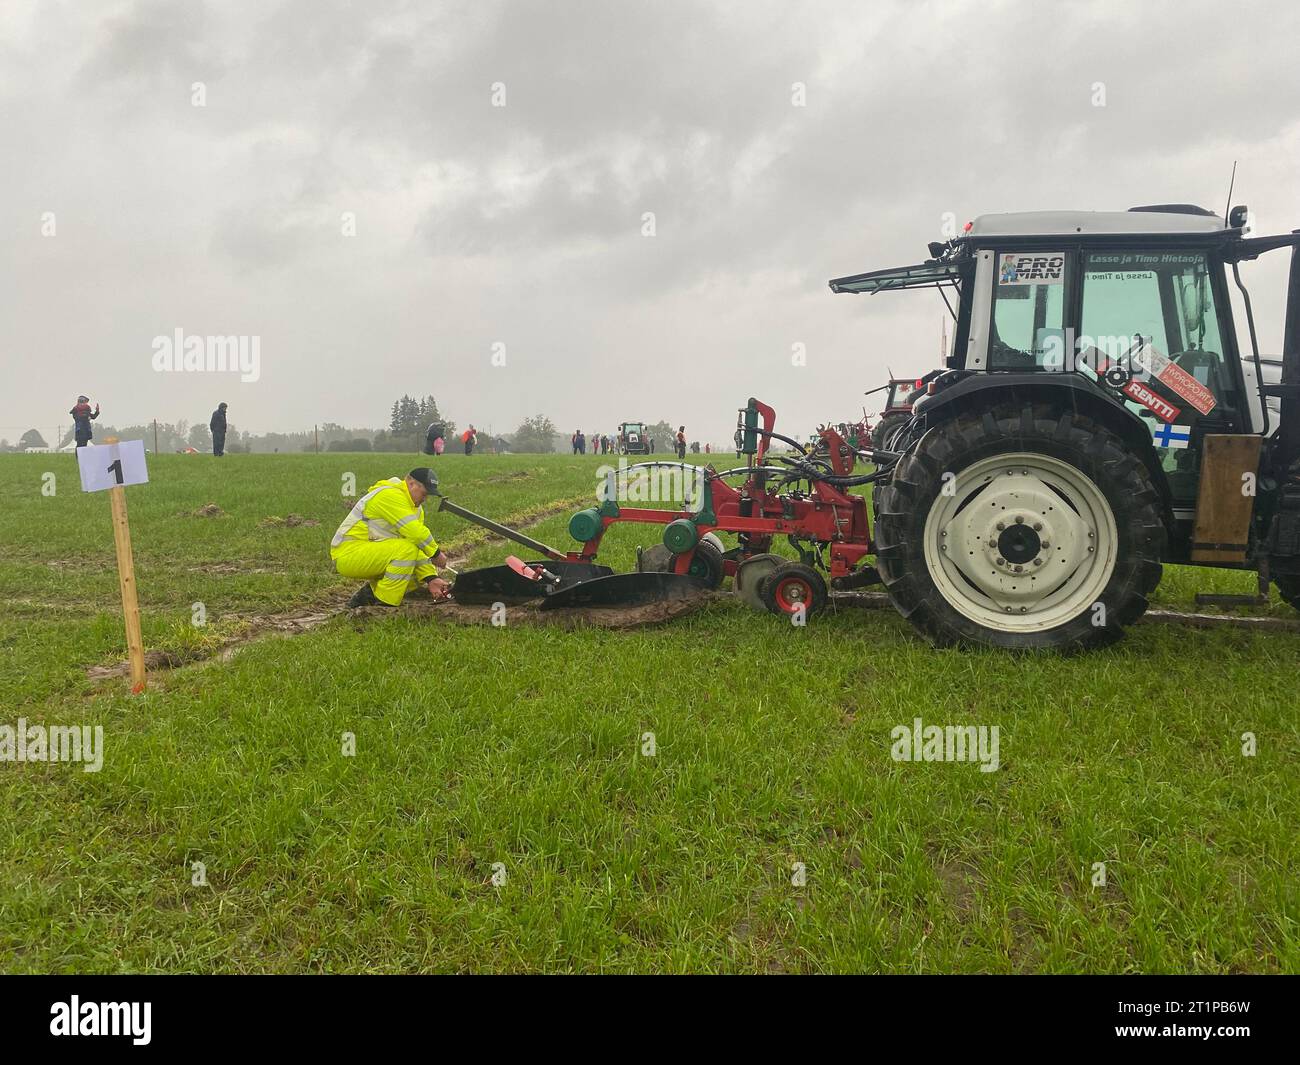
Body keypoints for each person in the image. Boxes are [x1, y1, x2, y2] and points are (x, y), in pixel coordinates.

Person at [331, 467, 451, 608]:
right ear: (411, 483)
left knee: (415, 572)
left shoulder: (416, 509)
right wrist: (436, 554)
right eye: (424, 493)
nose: (425, 499)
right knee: (405, 551)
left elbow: (417, 545)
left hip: (373, 552)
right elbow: (417, 534)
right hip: (348, 554)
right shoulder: (390, 495)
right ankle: (383, 603)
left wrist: (431, 578)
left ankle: (368, 595)